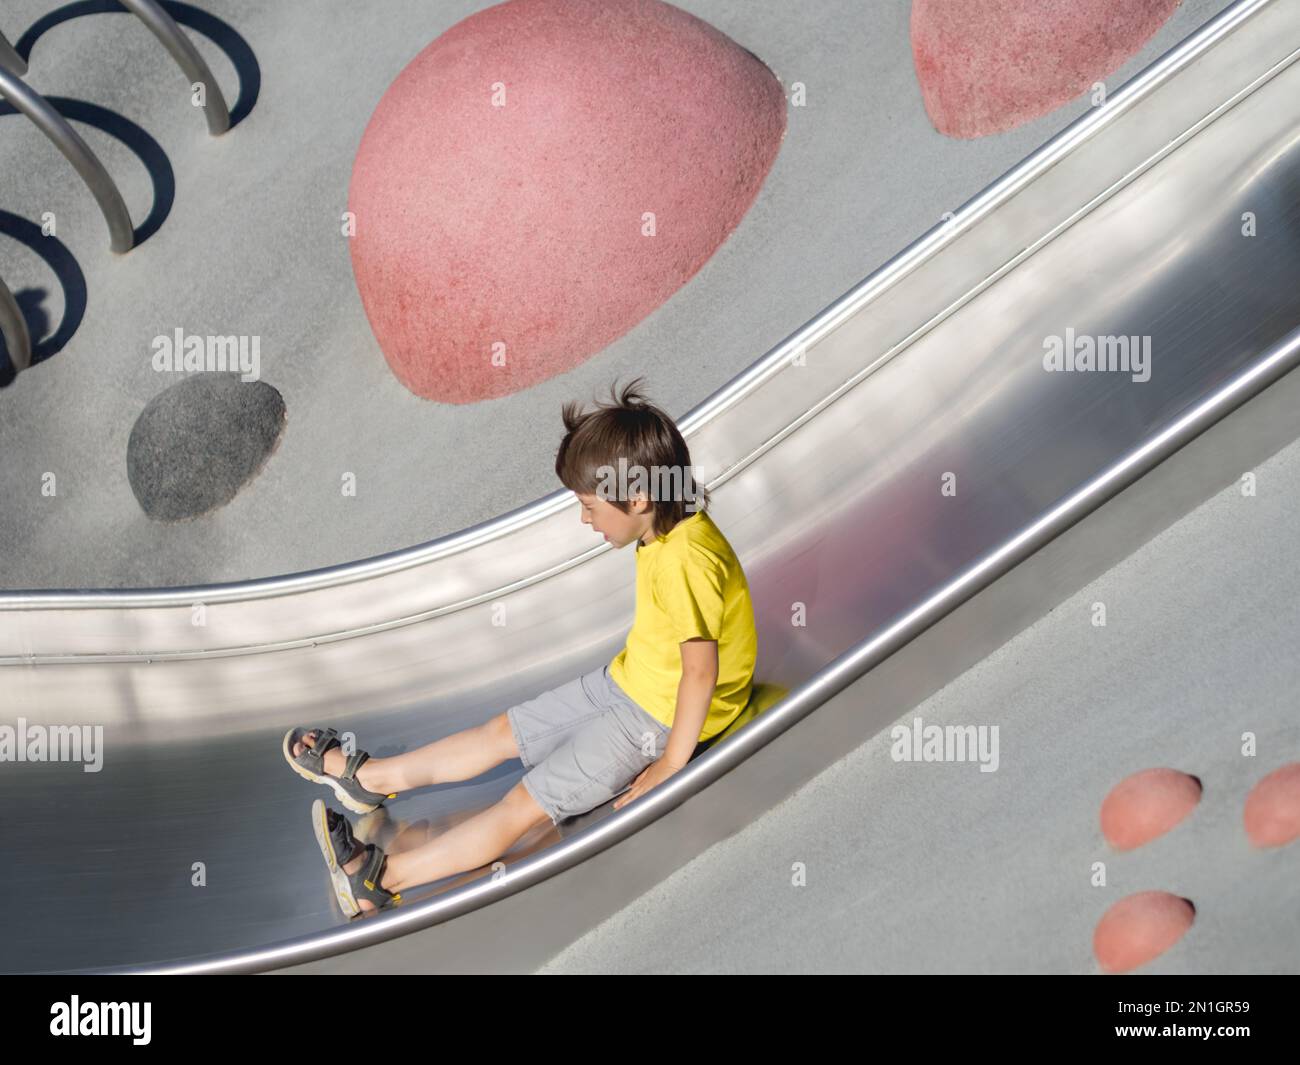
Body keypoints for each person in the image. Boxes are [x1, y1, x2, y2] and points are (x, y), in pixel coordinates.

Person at [283, 376, 758, 916]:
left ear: (639, 497)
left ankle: (381, 878)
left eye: (589, 506)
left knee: (524, 805)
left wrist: (673, 762)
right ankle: (369, 780)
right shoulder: (663, 530)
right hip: (629, 682)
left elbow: (699, 671)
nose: (585, 519)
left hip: (657, 720)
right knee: (501, 733)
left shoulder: (685, 560)